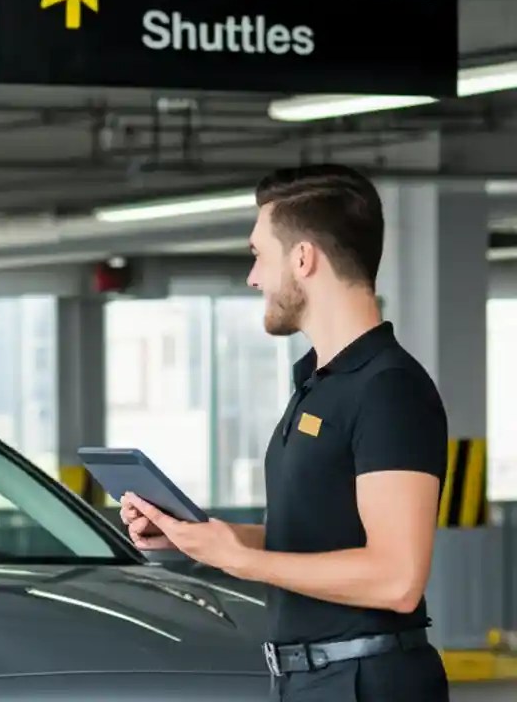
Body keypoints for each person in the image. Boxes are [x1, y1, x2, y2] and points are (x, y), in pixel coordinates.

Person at [120, 164, 450, 701]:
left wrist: (241, 560)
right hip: (306, 680)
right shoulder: (317, 386)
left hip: (365, 683)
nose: (252, 277)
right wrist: (203, 538)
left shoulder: (389, 389)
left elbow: (397, 577)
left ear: (303, 258)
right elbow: (312, 544)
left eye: (258, 254)